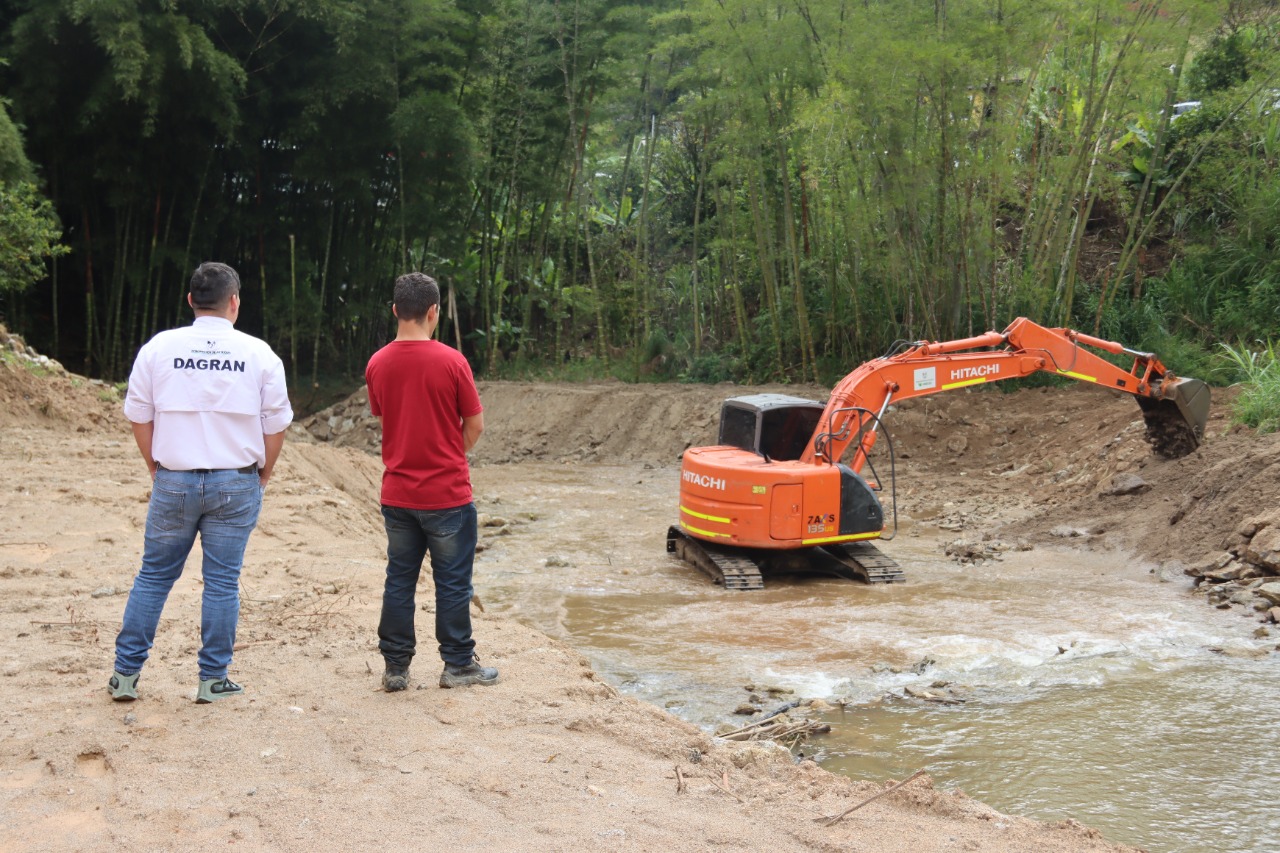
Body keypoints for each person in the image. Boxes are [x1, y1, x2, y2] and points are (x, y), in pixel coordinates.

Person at [108, 262, 292, 704]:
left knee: (153, 577)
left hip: (175, 478)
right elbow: (276, 423)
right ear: (235, 302)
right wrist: (264, 472)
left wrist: (156, 466)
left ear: (191, 301)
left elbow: (139, 414)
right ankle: (212, 680)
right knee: (223, 582)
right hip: (237, 482)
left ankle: (125, 677)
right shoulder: (259, 353)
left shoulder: (159, 348)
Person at [365, 271, 495, 692]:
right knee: (453, 582)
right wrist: (447, 451)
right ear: (434, 311)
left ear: (395, 310)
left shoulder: (378, 363)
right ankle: (457, 665)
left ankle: (396, 668)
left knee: (399, 579)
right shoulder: (452, 361)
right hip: (447, 495)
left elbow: (389, 417)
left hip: (398, 494)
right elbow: (474, 425)